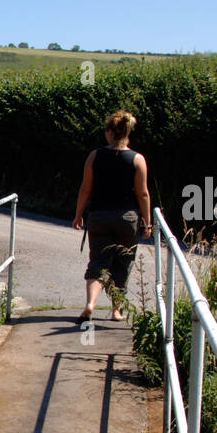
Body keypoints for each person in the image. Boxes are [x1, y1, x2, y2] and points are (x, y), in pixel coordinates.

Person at [71, 110, 152, 322]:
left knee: (98, 261)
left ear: (109, 132)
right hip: (127, 219)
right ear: (127, 133)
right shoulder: (137, 160)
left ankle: (90, 304)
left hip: (99, 216)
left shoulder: (95, 156)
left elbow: (85, 189)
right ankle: (116, 311)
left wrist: (78, 214)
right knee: (123, 263)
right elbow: (143, 193)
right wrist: (147, 223)